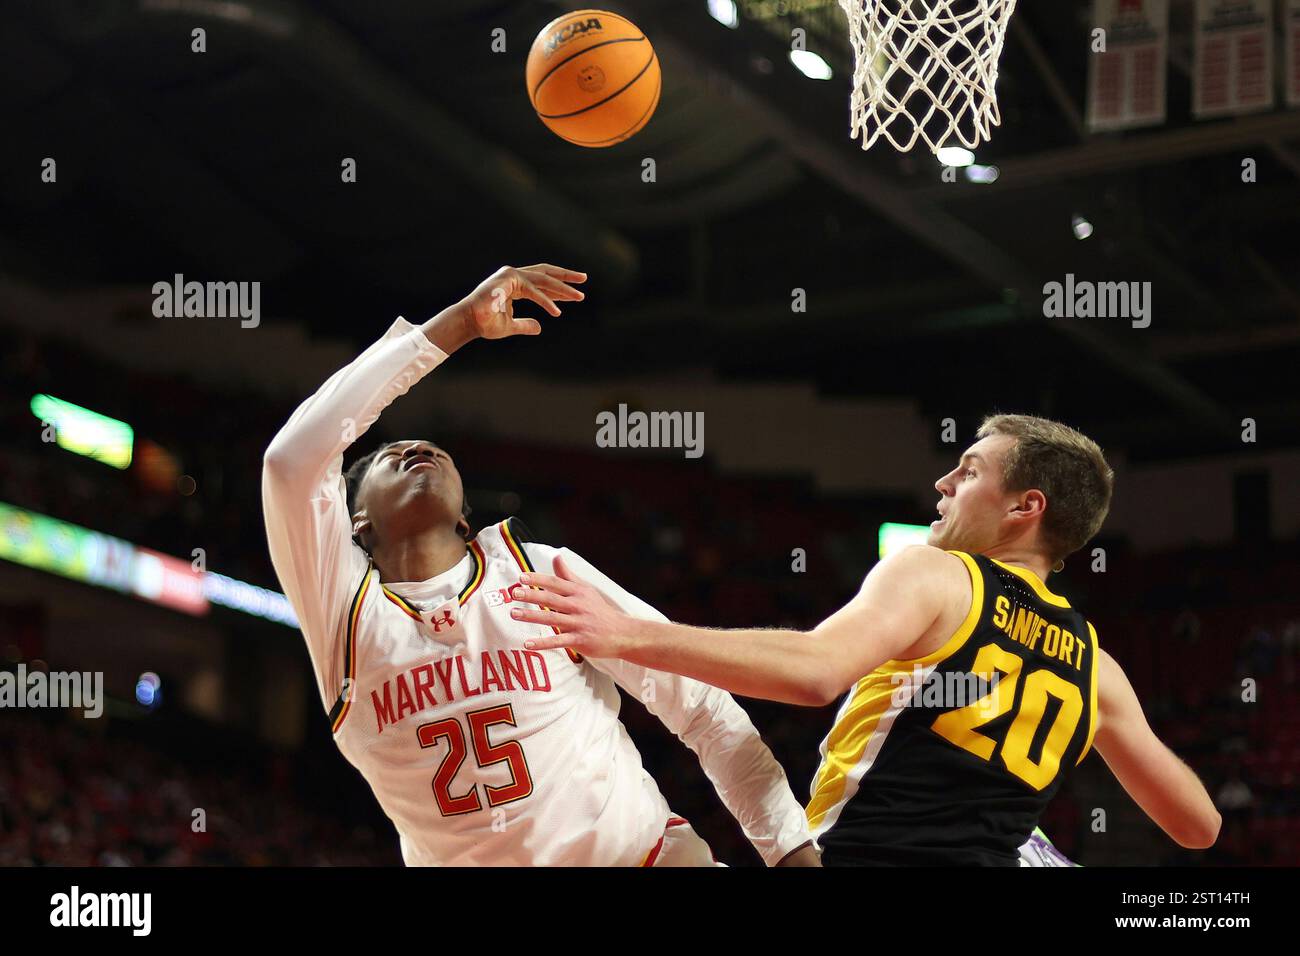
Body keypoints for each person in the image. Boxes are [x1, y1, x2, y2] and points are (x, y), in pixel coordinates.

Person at [262, 263, 816, 866]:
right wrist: (456, 326)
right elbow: (292, 461)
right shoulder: (343, 611)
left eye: (432, 450)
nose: (413, 448)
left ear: (465, 521)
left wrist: (790, 851)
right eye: (387, 455)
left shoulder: (538, 570)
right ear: (355, 523)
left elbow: (701, 707)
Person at [511, 415, 1223, 865]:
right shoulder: (1096, 666)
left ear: (1024, 507)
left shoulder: (940, 575)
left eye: (971, 470)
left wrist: (630, 634)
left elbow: (817, 672)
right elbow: (1198, 826)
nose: (944, 482)